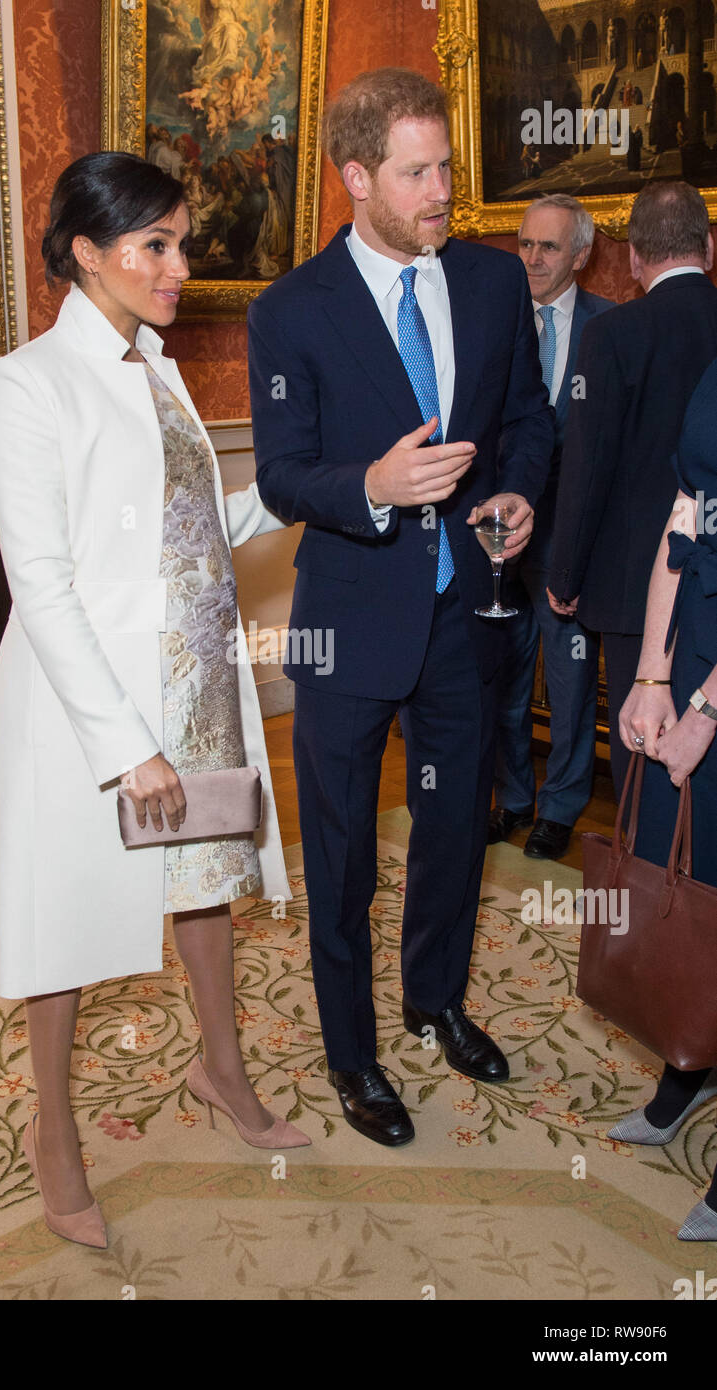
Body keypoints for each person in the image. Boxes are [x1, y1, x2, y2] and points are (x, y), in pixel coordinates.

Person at [0, 152, 308, 1250]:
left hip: (192, 680)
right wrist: (126, 747)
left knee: (205, 880)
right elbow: (46, 582)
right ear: (86, 251)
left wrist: (330, 484)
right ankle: (54, 1136)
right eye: (155, 245)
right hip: (89, 706)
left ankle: (222, 1070)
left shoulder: (153, 366)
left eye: (180, 241)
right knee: (67, 925)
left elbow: (194, 525)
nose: (179, 265)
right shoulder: (25, 385)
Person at [248, 69, 553, 1147]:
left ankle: (435, 1000)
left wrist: (516, 492)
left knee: (455, 825)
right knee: (340, 853)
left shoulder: (486, 281)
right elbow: (283, 474)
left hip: (466, 615)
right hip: (346, 624)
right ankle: (351, 1053)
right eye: (418, 173)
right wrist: (370, 487)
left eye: (448, 170)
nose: (442, 194)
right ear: (357, 177)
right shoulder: (291, 310)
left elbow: (526, 419)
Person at [548, 182, 717, 799]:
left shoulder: (613, 334)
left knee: (644, 760)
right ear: (709, 246)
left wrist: (564, 576)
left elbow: (585, 472)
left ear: (635, 258)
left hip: (632, 594)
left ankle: (653, 884)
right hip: (716, 578)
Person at [611, 358, 717, 1241]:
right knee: (683, 875)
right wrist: (652, 673)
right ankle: (692, 1060)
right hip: (695, 647)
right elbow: (682, 518)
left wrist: (709, 709)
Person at [489, 195, 613, 860]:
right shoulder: (490, 318)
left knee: (567, 683)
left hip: (568, 543)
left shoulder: (609, 327)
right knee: (502, 678)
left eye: (547, 247)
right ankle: (511, 799)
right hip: (498, 540)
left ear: (581, 255)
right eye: (524, 243)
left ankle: (560, 806)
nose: (531, 258)